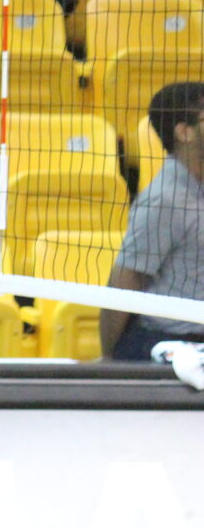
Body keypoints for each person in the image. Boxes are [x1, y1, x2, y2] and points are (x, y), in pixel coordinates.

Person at [101, 81, 204, 360]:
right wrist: (109, 360)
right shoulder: (163, 200)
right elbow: (125, 280)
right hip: (171, 341)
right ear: (185, 133)